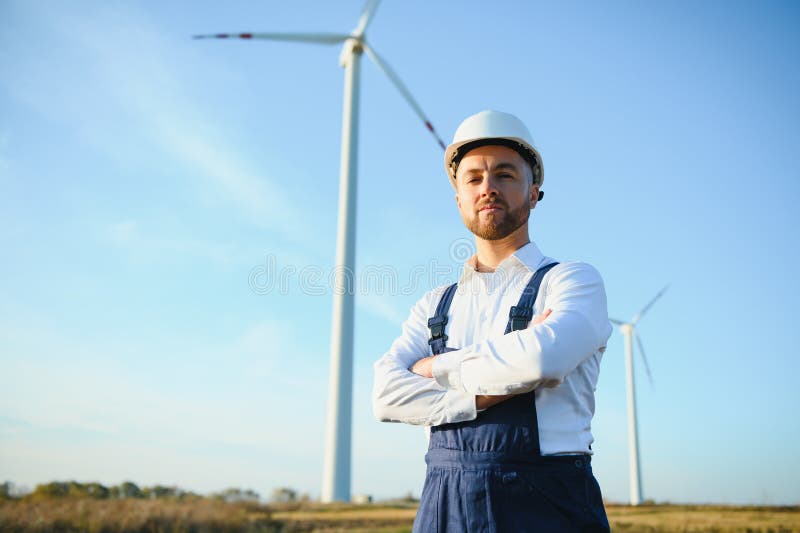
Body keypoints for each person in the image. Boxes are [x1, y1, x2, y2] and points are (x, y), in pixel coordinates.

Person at [372, 110, 612, 532]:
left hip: (547, 505)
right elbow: (386, 395)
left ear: (534, 192)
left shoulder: (572, 280)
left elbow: (543, 361)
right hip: (441, 505)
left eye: (505, 175)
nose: (488, 188)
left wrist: (436, 369)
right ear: (458, 196)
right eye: (474, 178)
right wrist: (498, 382)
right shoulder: (434, 304)